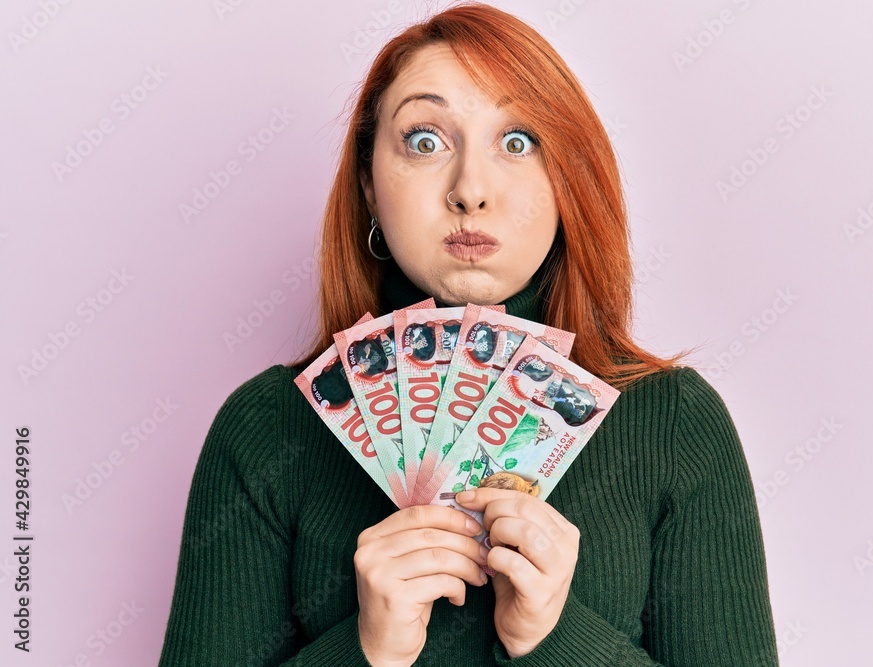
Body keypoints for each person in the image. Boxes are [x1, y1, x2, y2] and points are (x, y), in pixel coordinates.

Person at [157, 3, 781, 665]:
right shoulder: (265, 427)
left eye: (518, 141)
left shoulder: (676, 424)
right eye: (425, 140)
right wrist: (364, 650)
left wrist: (556, 637)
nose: (471, 189)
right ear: (369, 183)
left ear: (568, 176)